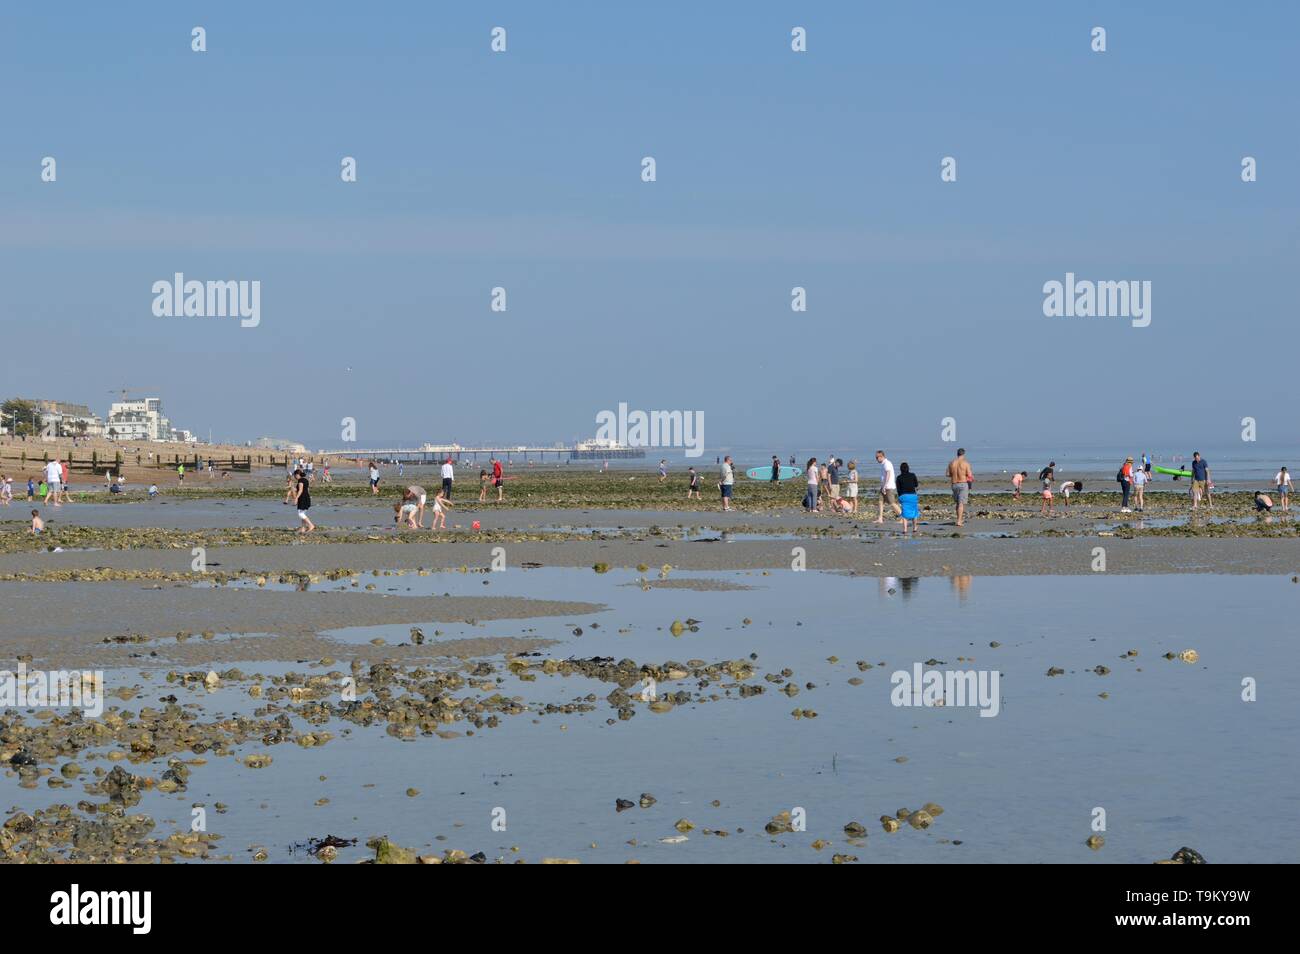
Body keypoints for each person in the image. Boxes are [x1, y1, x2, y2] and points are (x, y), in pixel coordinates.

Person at [946, 448, 972, 527]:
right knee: (961, 503)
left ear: (957, 454)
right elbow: (969, 474)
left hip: (954, 484)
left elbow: (947, 474)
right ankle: (959, 521)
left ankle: (959, 519)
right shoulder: (965, 463)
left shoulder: (952, 463)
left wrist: (954, 474)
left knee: (958, 503)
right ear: (963, 454)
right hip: (962, 483)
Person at [875, 451, 900, 523]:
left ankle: (903, 518)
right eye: (876, 457)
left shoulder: (887, 463)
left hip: (888, 487)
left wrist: (885, 486)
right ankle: (880, 518)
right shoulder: (883, 464)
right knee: (880, 501)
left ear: (882, 456)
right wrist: (883, 486)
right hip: (884, 486)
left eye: (877, 457)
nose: (876, 459)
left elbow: (888, 474)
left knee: (892, 503)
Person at [896, 462, 920, 536]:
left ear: (900, 469)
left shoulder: (898, 477)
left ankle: (905, 529)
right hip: (913, 496)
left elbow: (898, 489)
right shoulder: (913, 475)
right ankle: (915, 528)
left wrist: (900, 498)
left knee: (904, 513)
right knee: (914, 512)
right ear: (908, 468)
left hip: (904, 496)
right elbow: (916, 485)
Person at [292, 468, 315, 533]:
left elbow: (301, 490)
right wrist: (294, 489)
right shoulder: (305, 480)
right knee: (303, 513)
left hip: (303, 498)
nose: (294, 477)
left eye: (294, 475)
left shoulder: (300, 481)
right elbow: (306, 489)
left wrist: (296, 498)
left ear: (297, 475)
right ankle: (303, 528)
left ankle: (311, 525)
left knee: (301, 514)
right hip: (306, 497)